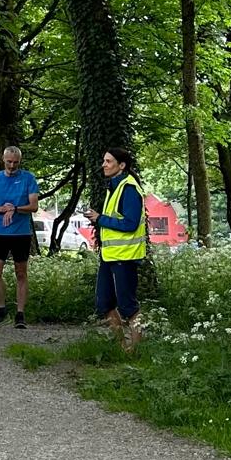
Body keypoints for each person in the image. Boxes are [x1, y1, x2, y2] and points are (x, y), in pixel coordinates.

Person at [84, 147, 147, 350]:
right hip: (110, 256)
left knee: (128, 306)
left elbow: (130, 224)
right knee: (104, 303)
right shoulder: (114, 187)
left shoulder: (128, 189)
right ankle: (121, 347)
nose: (104, 164)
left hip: (125, 257)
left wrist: (99, 219)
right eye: (104, 161)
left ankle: (136, 349)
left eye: (108, 161)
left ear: (122, 166)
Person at [0, 145, 40, 328]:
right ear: (3, 159)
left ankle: (20, 314)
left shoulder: (28, 178)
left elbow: (34, 206)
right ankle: (1, 309)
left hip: (21, 233)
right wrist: (0, 209)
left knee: (21, 273)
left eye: (15, 162)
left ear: (19, 162)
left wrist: (15, 208)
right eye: (9, 162)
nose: (12, 165)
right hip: (0, 232)